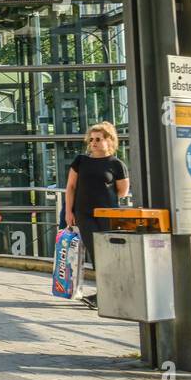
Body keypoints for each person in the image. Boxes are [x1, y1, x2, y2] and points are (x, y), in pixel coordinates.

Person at [65, 121, 130, 310]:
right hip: (84, 214)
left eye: (98, 139)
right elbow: (70, 187)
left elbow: (122, 191)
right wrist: (69, 211)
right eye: (91, 139)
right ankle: (103, 294)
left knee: (108, 254)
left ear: (109, 141)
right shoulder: (81, 161)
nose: (93, 142)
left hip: (107, 214)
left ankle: (109, 294)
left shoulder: (116, 164)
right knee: (96, 252)